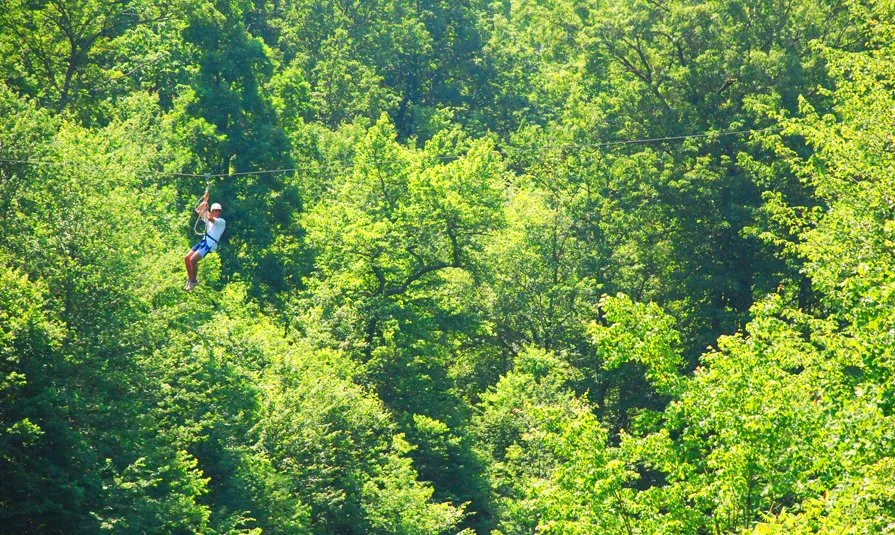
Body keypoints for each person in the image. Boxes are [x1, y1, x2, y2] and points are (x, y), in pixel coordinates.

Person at [184, 190, 225, 291]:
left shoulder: (221, 221)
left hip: (210, 244)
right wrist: (205, 200)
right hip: (204, 241)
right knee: (187, 258)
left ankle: (194, 281)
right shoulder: (209, 218)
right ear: (212, 211)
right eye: (215, 210)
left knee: (193, 260)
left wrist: (206, 207)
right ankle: (190, 279)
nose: (217, 212)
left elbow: (210, 218)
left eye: (219, 211)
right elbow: (199, 210)